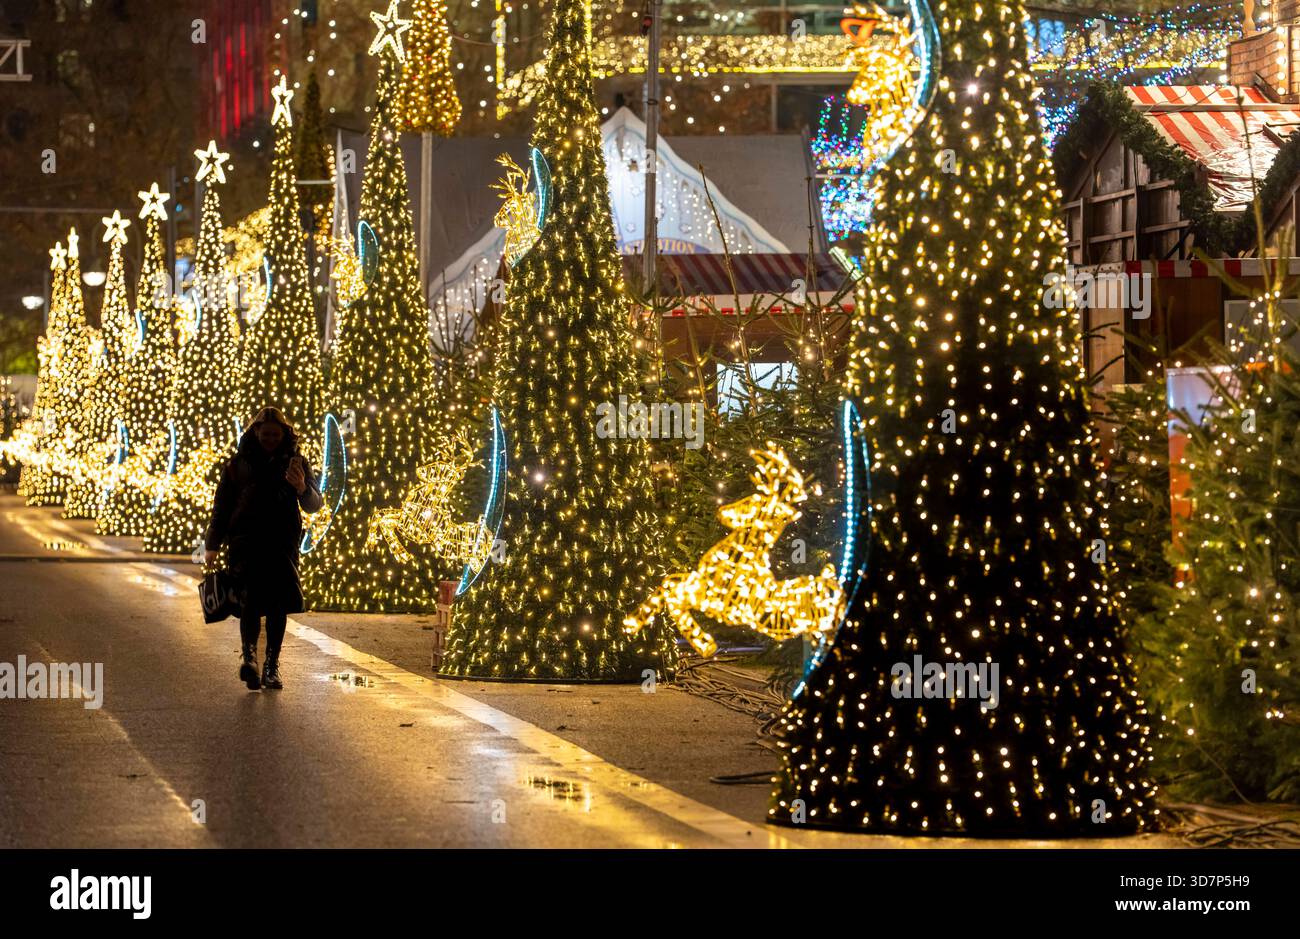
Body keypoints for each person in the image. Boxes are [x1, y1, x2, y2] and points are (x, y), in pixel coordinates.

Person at [205, 407, 323, 691]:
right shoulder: (237, 464)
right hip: (246, 542)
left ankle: (271, 665)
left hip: (282, 542)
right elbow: (221, 507)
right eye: (265, 433)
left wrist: (302, 488)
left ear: (284, 435)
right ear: (255, 432)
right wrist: (212, 545)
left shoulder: (296, 463)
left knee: (278, 605)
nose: (270, 438)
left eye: (275, 434)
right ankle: (250, 659)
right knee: (250, 603)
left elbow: (314, 504)